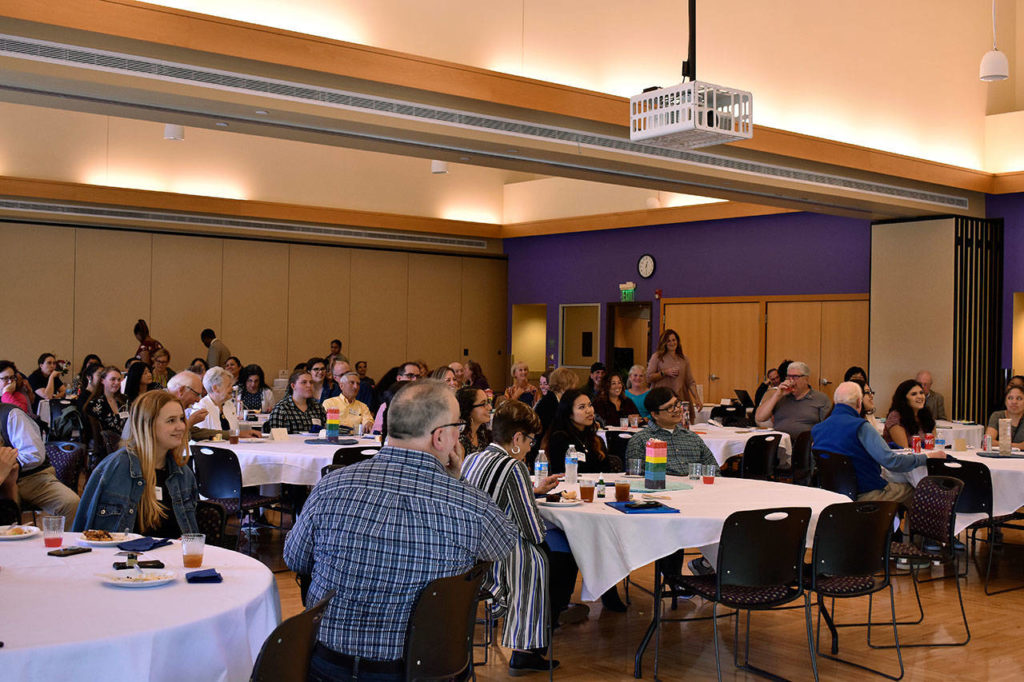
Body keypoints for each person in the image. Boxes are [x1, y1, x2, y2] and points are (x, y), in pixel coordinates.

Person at [284, 379, 517, 682]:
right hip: (422, 670)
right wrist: (458, 482)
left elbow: (295, 559)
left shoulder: (331, 485)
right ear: (441, 438)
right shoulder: (468, 504)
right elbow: (504, 545)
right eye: (457, 429)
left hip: (325, 665)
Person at [462, 401, 563, 674]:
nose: (531, 447)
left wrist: (535, 493)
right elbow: (531, 527)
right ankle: (525, 648)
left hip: (467, 550)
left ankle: (527, 645)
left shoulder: (473, 458)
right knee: (542, 557)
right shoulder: (513, 467)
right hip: (492, 558)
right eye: (530, 440)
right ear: (517, 439)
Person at [73, 390, 199, 537]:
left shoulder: (183, 474)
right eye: (171, 420)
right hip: (122, 557)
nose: (181, 427)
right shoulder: (115, 469)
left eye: (181, 419)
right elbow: (85, 533)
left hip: (171, 558)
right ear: (148, 425)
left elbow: (190, 536)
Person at [812, 382, 943, 504]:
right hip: (867, 492)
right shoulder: (861, 427)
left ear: (835, 402)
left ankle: (890, 526)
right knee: (918, 491)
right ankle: (906, 529)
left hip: (834, 493)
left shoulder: (818, 428)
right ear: (859, 402)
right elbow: (891, 462)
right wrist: (926, 458)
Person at [0, 401, 80, 519]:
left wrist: (8, 464)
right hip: (3, 480)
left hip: (31, 477)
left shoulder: (11, 414)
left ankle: (64, 537)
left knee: (71, 503)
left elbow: (34, 454)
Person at [625, 387, 716, 475]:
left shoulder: (692, 438)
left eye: (677, 403)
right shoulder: (640, 440)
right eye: (669, 407)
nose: (677, 409)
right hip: (661, 488)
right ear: (655, 415)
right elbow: (635, 477)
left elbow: (714, 470)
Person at [754, 360, 830, 466]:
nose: (791, 381)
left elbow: (827, 428)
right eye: (788, 377)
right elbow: (760, 417)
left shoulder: (820, 399)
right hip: (780, 447)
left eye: (795, 377)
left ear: (806, 379)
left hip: (806, 448)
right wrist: (777, 395)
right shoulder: (781, 397)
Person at [541, 389, 614, 474]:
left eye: (590, 405)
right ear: (570, 414)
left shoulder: (596, 439)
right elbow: (560, 472)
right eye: (582, 407)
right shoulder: (560, 438)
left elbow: (607, 471)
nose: (589, 410)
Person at [646, 329, 702, 421]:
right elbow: (648, 378)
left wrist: (697, 399)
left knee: (682, 428)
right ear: (664, 343)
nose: (672, 343)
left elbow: (690, 382)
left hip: (680, 399)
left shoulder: (684, 359)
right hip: (662, 400)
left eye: (674, 340)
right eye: (668, 341)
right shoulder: (657, 357)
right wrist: (664, 372)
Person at [266, 370, 327, 434]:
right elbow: (277, 438)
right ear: (293, 386)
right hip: (289, 443)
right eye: (304, 382)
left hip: (315, 443)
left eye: (311, 382)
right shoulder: (281, 409)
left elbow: (326, 432)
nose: (309, 385)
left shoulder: (318, 407)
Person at [882, 379, 935, 448]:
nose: (919, 396)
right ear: (904, 399)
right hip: (905, 457)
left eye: (921, 393)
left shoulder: (926, 414)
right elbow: (904, 450)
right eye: (914, 394)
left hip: (926, 456)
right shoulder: (896, 416)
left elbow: (932, 445)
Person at [371, 361, 422, 433]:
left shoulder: (425, 404)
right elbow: (376, 433)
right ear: (399, 378)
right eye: (410, 376)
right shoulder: (386, 406)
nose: (415, 380)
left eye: (418, 377)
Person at [189, 367, 240, 433]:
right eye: (228, 385)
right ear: (215, 388)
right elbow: (200, 436)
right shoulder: (201, 407)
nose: (232, 388)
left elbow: (235, 433)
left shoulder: (229, 404)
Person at [533, 366, 579, 437]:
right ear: (564, 385)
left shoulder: (557, 400)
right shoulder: (548, 403)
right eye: (573, 386)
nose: (574, 390)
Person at [86, 366, 128, 433]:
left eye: (119, 379)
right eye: (113, 379)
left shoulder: (125, 400)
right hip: (108, 441)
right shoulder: (95, 404)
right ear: (102, 380)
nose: (117, 382)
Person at [457, 386, 492, 455]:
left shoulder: (482, 433)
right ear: (469, 409)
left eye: (488, 402)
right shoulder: (460, 441)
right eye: (483, 404)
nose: (490, 407)